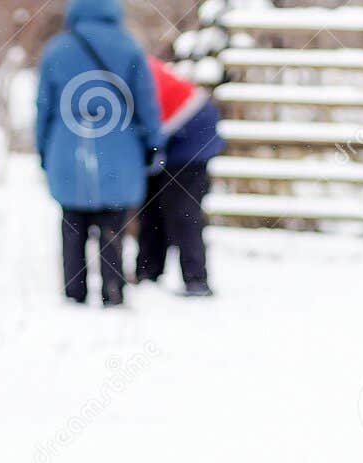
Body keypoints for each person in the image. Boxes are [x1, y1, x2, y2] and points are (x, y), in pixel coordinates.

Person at [35, 0, 160, 307]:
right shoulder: (128, 46)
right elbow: (146, 104)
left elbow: (43, 109)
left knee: (72, 223)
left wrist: (44, 150)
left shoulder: (57, 49)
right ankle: (113, 291)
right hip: (119, 149)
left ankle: (74, 292)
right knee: (112, 222)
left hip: (67, 148)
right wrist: (153, 145)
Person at [135, 56, 224, 296]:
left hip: (192, 130)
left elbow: (145, 117)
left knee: (183, 210)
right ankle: (148, 273)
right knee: (153, 204)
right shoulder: (127, 60)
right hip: (176, 128)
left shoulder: (124, 70)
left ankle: (196, 279)